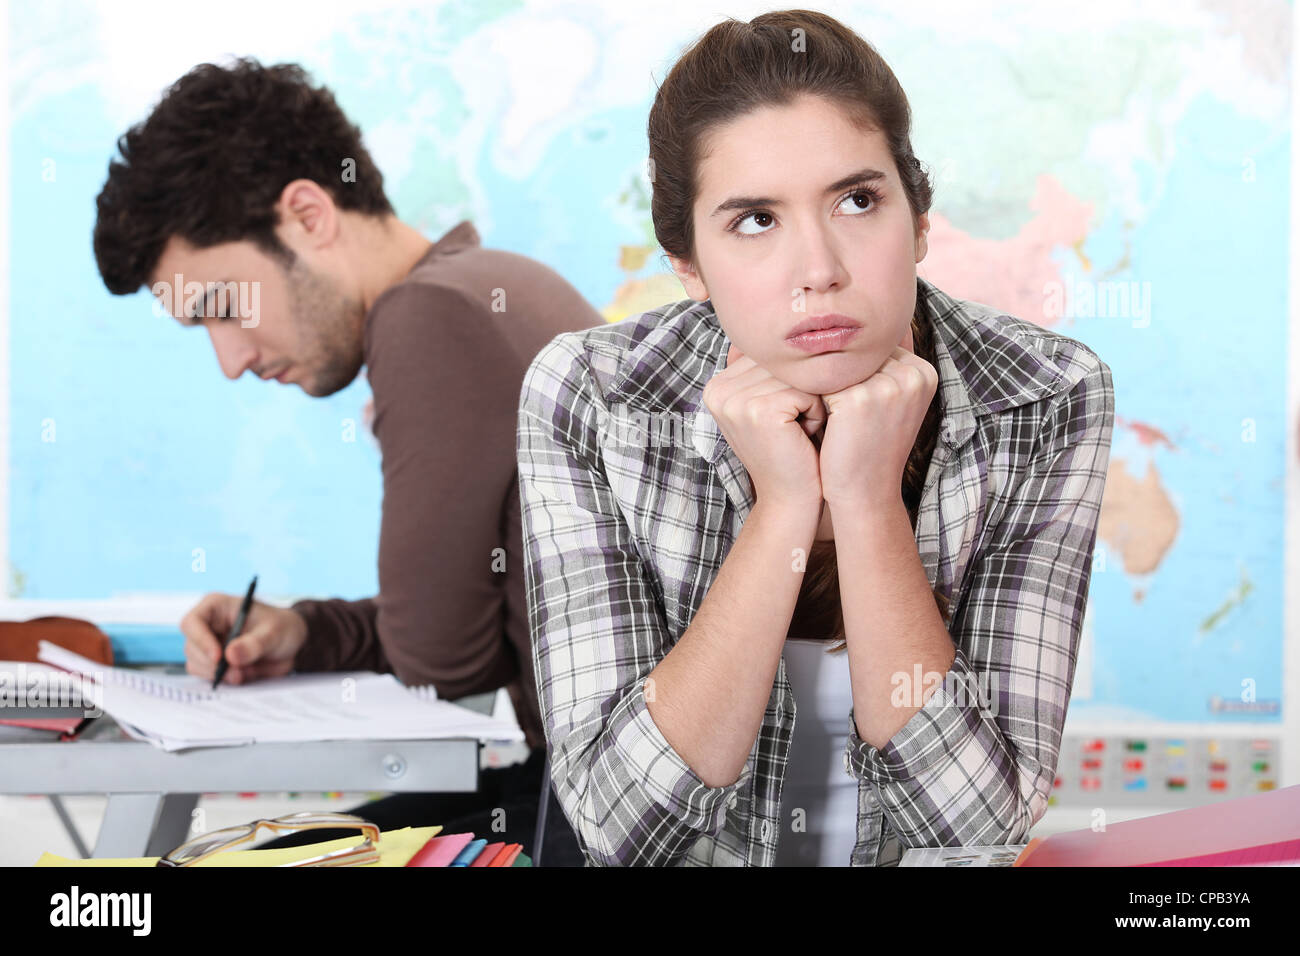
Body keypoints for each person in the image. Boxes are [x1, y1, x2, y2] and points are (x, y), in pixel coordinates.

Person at [516, 9, 1115, 866]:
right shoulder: (595, 396)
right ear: (688, 265)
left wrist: (868, 504)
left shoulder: (1044, 393)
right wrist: (787, 505)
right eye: (755, 220)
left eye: (859, 200)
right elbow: (622, 831)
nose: (820, 270)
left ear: (919, 217)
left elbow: (978, 827)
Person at [92, 57, 600, 864]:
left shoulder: (427, 317)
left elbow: (442, 659)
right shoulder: (493, 283)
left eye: (224, 307)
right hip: (584, 792)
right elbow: (459, 620)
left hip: (597, 820)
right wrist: (306, 632)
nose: (229, 360)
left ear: (308, 214)